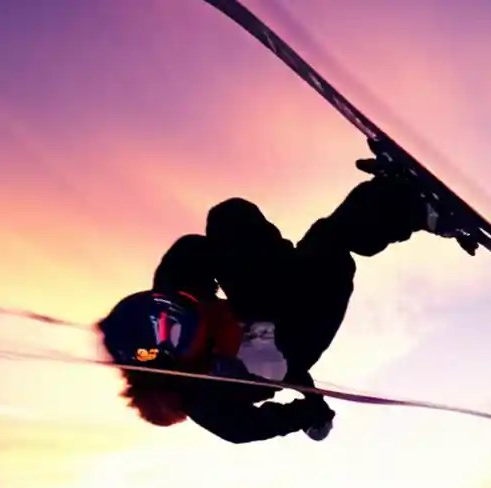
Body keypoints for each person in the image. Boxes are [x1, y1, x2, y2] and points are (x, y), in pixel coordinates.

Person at [96, 158, 450, 444]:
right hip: (295, 333)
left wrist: (241, 267)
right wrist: (312, 414)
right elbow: (263, 413)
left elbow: (196, 251)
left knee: (228, 215)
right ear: (181, 361)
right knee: (328, 244)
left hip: (266, 296)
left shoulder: (175, 287)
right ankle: (416, 209)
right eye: (186, 331)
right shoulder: (212, 399)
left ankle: (387, 192)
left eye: (181, 307)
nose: (191, 314)